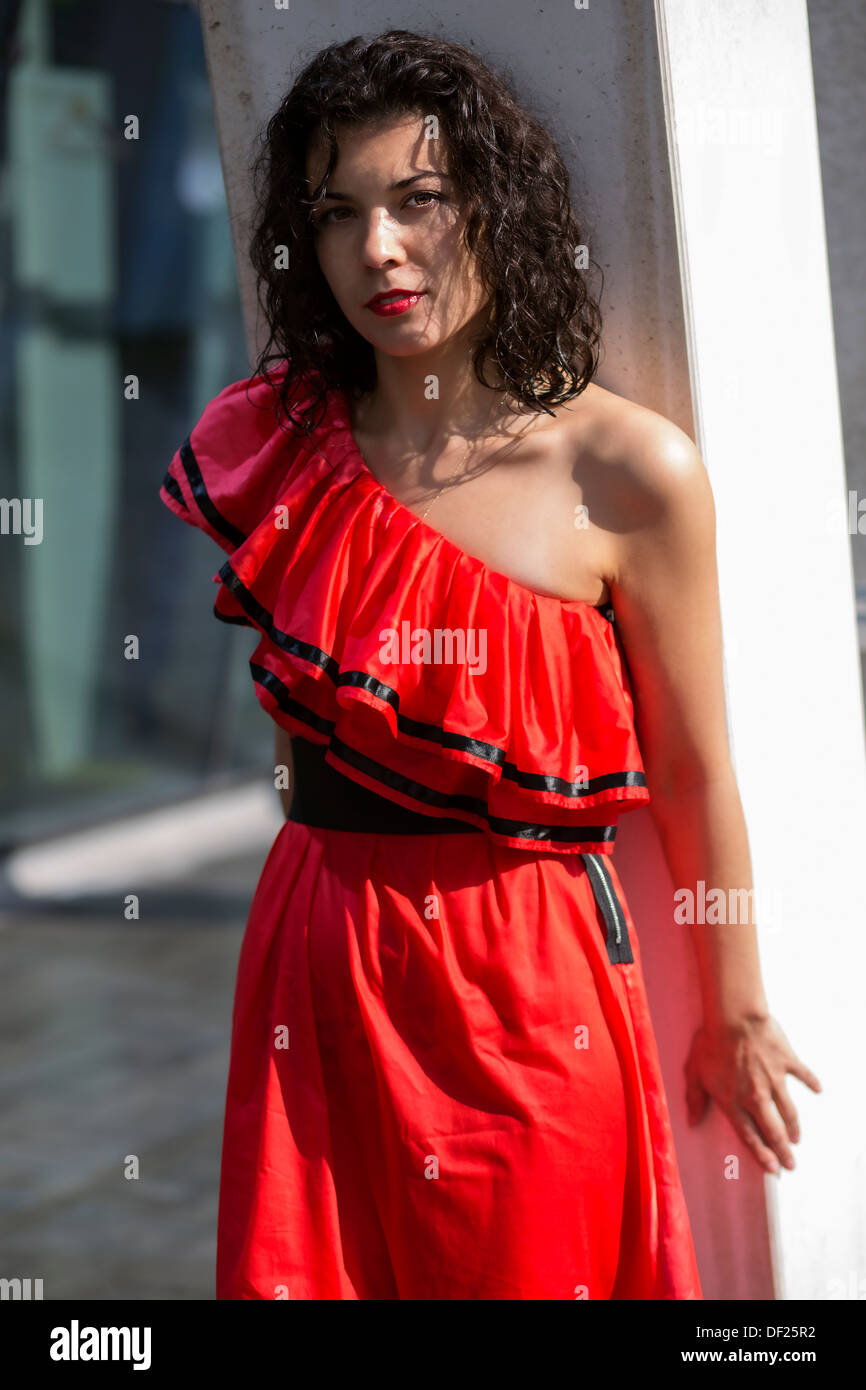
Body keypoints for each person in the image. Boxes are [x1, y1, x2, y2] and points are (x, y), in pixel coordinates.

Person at [159, 29, 821, 1301]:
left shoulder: (627, 472)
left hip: (521, 971)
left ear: (494, 206)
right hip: (314, 937)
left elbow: (692, 768)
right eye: (339, 213)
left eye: (419, 201)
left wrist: (732, 1002)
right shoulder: (279, 440)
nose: (378, 252)